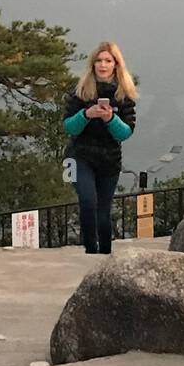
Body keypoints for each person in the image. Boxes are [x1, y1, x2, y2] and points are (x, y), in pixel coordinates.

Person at [62, 41, 137, 254]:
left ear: (116, 65)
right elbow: (69, 127)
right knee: (88, 201)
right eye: (99, 60)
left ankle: (104, 254)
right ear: (93, 64)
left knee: (103, 211)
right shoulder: (81, 91)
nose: (103, 65)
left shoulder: (124, 95)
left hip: (109, 160)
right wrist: (86, 114)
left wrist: (110, 118)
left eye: (108, 61)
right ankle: (90, 250)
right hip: (79, 157)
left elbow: (125, 132)